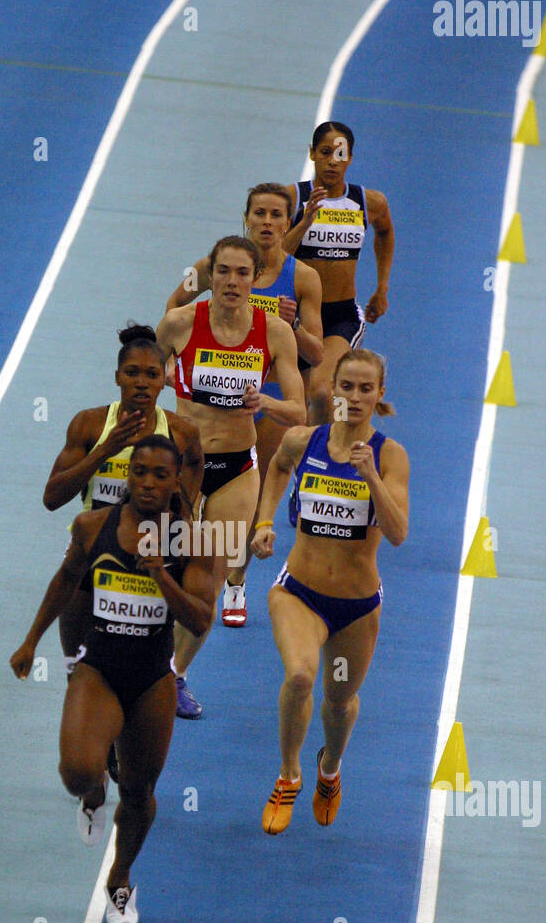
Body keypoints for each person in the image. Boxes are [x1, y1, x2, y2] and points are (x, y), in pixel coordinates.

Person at [10, 436, 216, 923]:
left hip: (151, 678)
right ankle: (94, 786)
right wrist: (31, 640)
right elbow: (66, 579)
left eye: (160, 475)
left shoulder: (196, 541)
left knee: (141, 792)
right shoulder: (92, 525)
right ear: (128, 476)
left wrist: (162, 576)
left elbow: (201, 618)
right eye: (139, 472)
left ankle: (120, 881)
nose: (147, 482)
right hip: (98, 667)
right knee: (77, 771)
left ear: (176, 481)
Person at [250, 349, 409, 834]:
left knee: (339, 701)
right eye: (347, 387)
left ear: (380, 395)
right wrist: (263, 521)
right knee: (300, 676)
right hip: (298, 590)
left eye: (366, 389)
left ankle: (329, 769)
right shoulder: (303, 440)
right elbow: (276, 466)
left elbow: (398, 532)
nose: (355, 397)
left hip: (357, 608)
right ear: (333, 391)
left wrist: (371, 479)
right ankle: (289, 774)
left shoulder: (390, 456)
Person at [43, 323, 203, 801]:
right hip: (89, 563)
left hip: (147, 566)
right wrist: (105, 452)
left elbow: (187, 513)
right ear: (117, 377)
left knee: (135, 663)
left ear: (163, 380)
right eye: (131, 373)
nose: (140, 382)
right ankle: (92, 763)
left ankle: (123, 748)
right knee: (79, 668)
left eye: (150, 374)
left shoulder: (182, 432)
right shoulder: (90, 425)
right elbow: (53, 497)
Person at [156, 235, 306, 718]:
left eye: (244, 273)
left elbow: (299, 409)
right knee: (161, 568)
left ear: (255, 277)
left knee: (209, 583)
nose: (233, 282)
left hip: (236, 470)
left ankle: (175, 674)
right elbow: (141, 378)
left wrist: (264, 401)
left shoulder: (275, 332)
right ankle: (144, 659)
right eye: (224, 272)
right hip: (181, 469)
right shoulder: (179, 324)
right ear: (210, 275)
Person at [165, 184, 324, 627]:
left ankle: (235, 581)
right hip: (202, 411)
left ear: (288, 222)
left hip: (264, 402)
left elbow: (315, 354)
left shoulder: (303, 277)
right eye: (260, 213)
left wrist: (290, 325)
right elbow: (173, 307)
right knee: (179, 533)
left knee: (254, 500)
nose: (268, 222)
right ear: (246, 217)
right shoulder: (213, 266)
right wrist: (173, 363)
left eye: (277, 215)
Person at [283, 122, 395, 425]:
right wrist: (304, 223)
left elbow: (384, 231)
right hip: (295, 316)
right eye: (325, 152)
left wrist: (381, 288)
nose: (333, 161)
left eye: (341, 154)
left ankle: (320, 462)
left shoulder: (368, 202)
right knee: (288, 404)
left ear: (351, 159)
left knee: (321, 391)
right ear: (312, 154)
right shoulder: (292, 199)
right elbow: (271, 256)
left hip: (339, 317)